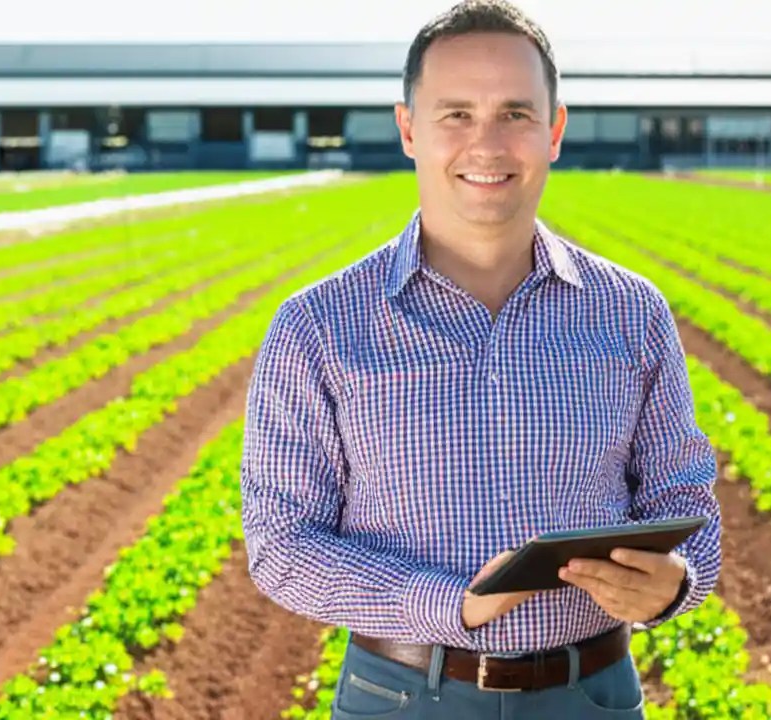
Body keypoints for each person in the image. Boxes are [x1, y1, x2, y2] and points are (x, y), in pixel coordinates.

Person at [240, 1, 722, 717]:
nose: (487, 145)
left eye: (516, 115)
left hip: (591, 696)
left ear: (553, 131)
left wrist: (676, 582)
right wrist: (453, 606)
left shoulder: (631, 311)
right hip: (404, 695)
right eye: (456, 114)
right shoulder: (320, 326)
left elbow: (686, 506)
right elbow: (281, 545)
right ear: (409, 128)